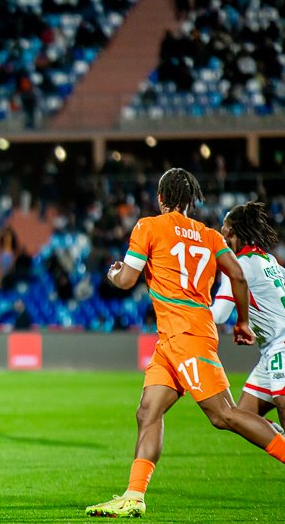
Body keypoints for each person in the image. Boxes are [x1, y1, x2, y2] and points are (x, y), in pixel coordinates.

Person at [87, 169, 285, 518]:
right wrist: (241, 321)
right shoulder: (210, 236)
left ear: (161, 197)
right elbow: (237, 274)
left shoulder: (148, 226)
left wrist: (113, 272)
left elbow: (127, 279)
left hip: (186, 334)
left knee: (225, 415)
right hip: (174, 338)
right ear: (190, 201)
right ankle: (134, 496)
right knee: (148, 411)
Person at [210, 202, 285, 426]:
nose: (222, 238)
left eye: (224, 230)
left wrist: (185, 306)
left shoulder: (239, 265)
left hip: (281, 344)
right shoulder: (268, 260)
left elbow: (219, 315)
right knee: (240, 418)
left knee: (282, 402)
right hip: (270, 350)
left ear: (232, 232)